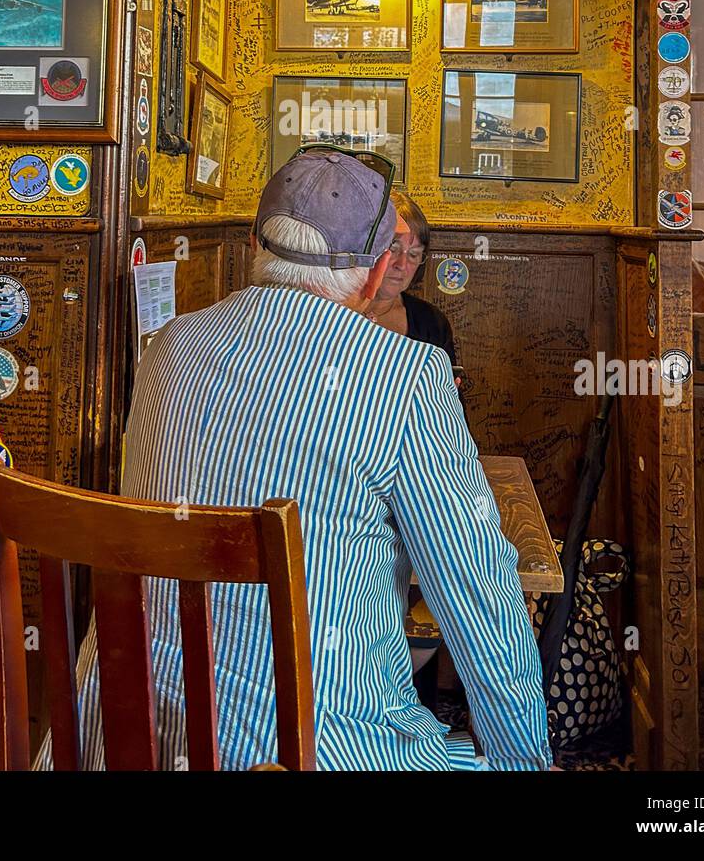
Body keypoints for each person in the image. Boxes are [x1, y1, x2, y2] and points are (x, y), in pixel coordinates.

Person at [44, 148, 550, 771]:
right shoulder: (406, 373)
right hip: (309, 747)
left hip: (115, 737)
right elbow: (477, 593)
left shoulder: (166, 348)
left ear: (254, 244)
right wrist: (522, 761)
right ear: (375, 274)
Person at [366, 190, 456, 365]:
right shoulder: (333, 310)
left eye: (414, 255)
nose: (402, 265)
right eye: (393, 248)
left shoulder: (432, 322)